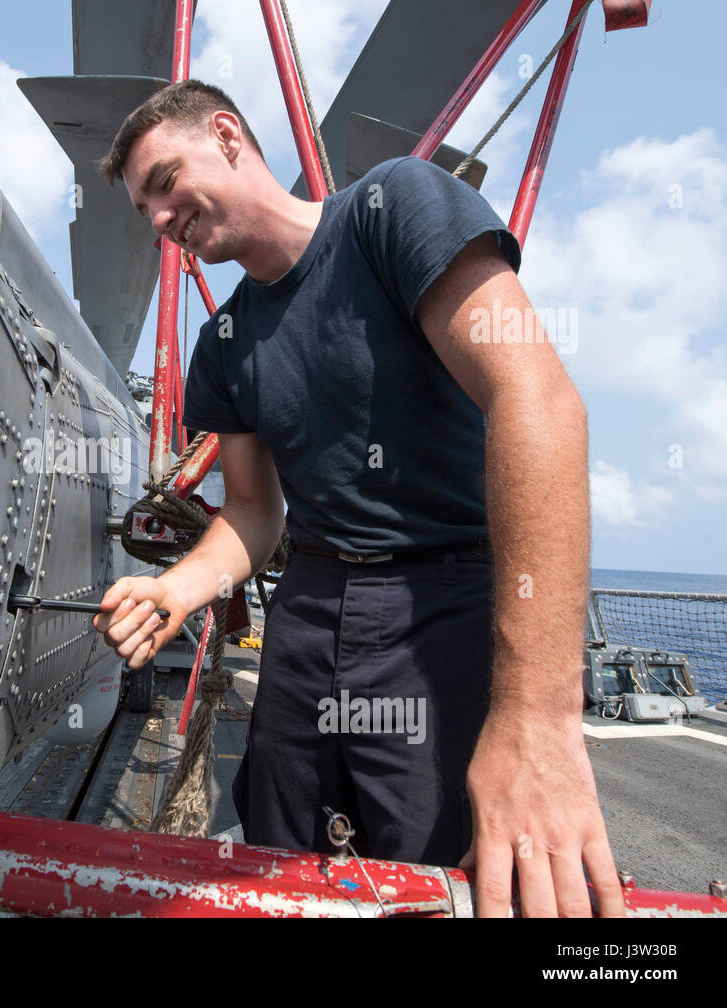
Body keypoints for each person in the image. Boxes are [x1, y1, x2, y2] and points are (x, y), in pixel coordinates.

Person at [90, 80, 623, 918]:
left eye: (163, 183)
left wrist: (539, 719)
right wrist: (177, 587)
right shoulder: (223, 345)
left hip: (442, 606)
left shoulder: (391, 208)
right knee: (283, 864)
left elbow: (539, 404)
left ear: (227, 135)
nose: (158, 220)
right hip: (309, 613)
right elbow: (256, 513)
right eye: (144, 210)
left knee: (448, 877)